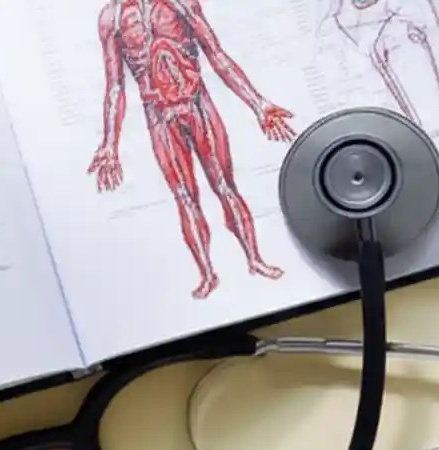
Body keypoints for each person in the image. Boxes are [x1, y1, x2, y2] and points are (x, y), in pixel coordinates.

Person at [88, 0, 296, 299]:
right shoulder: (112, 17)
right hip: (158, 113)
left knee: (224, 185)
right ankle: (208, 273)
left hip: (197, 102)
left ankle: (254, 259)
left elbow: (216, 54)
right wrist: (109, 143)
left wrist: (258, 104)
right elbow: (115, 86)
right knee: (185, 197)